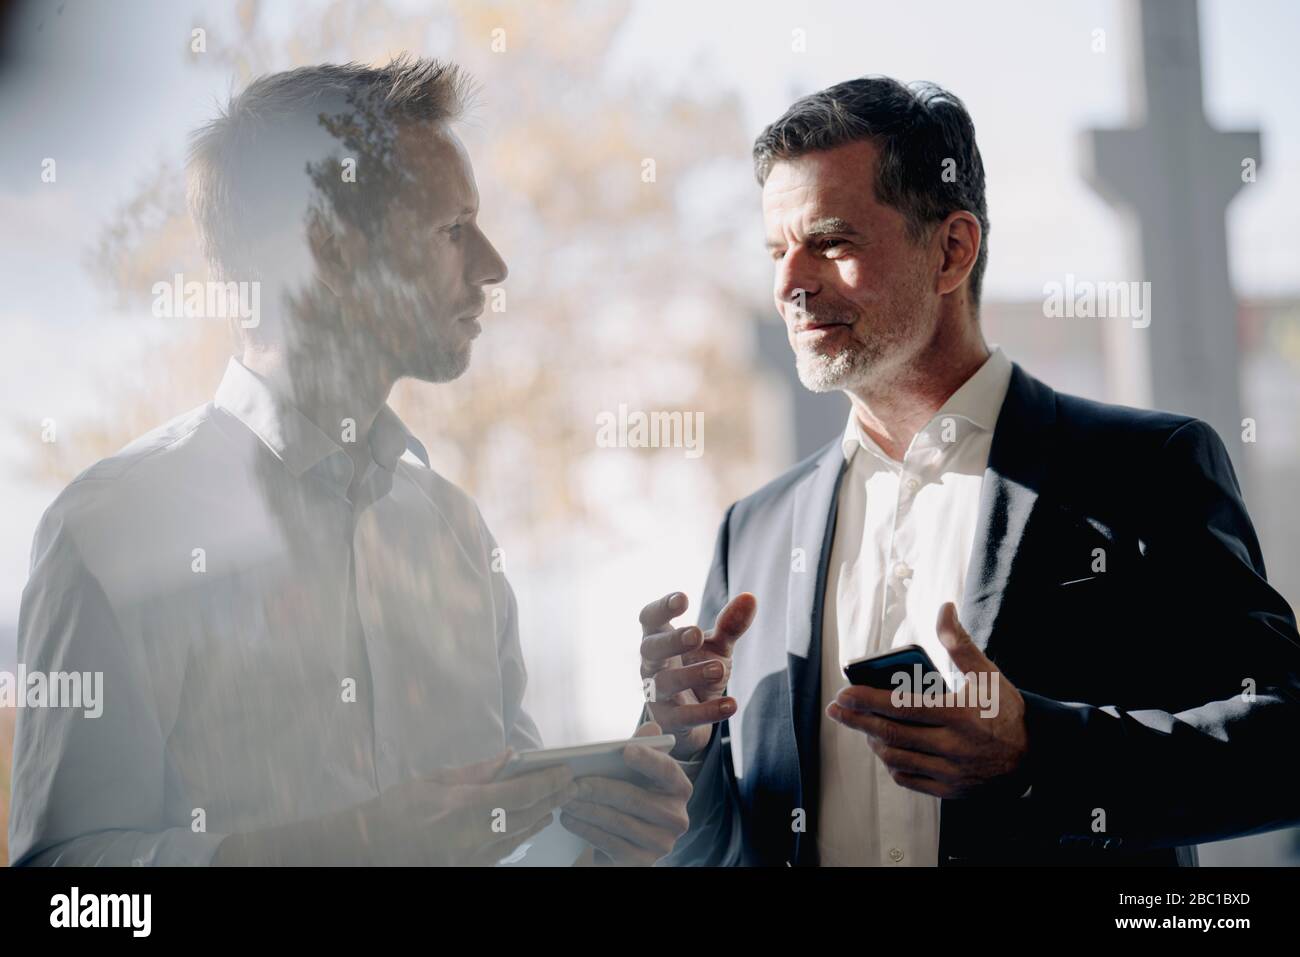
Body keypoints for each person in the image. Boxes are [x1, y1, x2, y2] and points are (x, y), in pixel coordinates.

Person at [9, 56, 689, 866]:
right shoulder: (111, 532)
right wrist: (341, 849)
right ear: (326, 249)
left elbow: (511, 851)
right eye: (452, 230)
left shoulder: (457, 534)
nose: (494, 265)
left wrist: (607, 827)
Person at [638, 76, 1300, 866]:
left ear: (952, 249)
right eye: (778, 251)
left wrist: (1037, 751)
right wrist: (687, 742)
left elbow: (1282, 741)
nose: (791, 284)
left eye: (831, 242)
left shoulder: (1144, 472)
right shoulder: (751, 532)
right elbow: (713, 843)